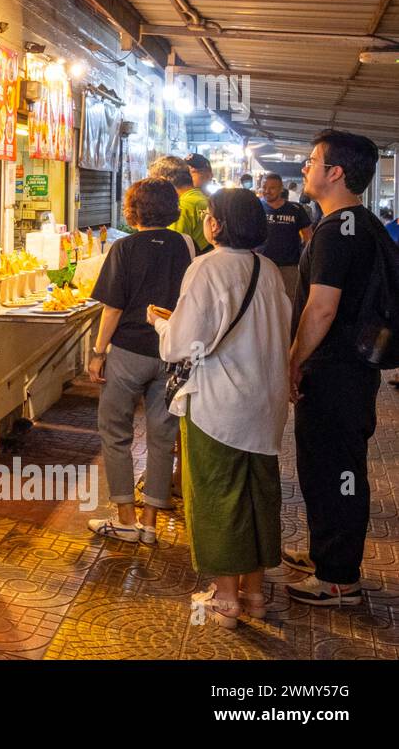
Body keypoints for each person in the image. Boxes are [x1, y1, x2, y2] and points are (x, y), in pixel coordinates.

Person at [149, 189, 291, 627]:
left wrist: (160, 322)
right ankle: (255, 594)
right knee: (258, 497)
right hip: (265, 405)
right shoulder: (267, 270)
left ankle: (226, 599)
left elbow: (181, 345)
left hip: (220, 406)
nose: (207, 222)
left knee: (218, 496)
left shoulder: (207, 268)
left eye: (210, 216)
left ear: (217, 224)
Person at [286, 129, 383, 606]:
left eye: (312, 161)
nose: (306, 168)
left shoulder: (338, 229)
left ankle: (340, 577)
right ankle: (327, 557)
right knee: (330, 468)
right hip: (349, 372)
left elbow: (321, 308)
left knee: (336, 469)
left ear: (335, 173)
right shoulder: (356, 224)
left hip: (335, 373)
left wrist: (293, 360)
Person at [85, 178, 191, 544]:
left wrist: (98, 353)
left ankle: (125, 518)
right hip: (169, 350)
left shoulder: (124, 247)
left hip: (128, 351)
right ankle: (149, 523)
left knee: (115, 432)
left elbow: (112, 308)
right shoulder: (184, 246)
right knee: (164, 437)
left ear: (133, 210)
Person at [257, 173, 313, 300]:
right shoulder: (256, 208)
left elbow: (309, 237)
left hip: (289, 267)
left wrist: (307, 262)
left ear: (281, 189)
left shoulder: (295, 209)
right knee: (263, 303)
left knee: (289, 302)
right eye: (264, 187)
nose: (267, 191)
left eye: (272, 188)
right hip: (262, 266)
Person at [148, 155, 208, 255]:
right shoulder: (205, 200)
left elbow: (171, 248)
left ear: (163, 180)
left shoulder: (181, 207)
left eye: (154, 182)